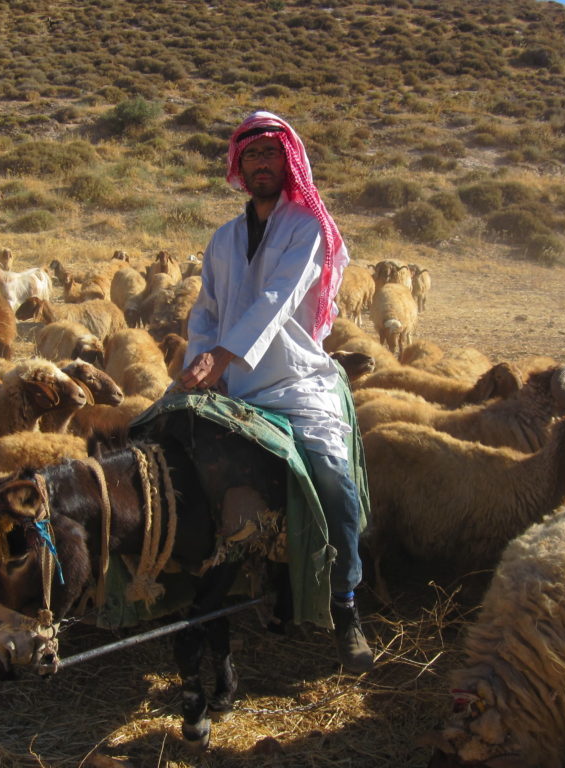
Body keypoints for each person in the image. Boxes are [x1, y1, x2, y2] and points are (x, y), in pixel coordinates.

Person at [178, 111, 374, 673]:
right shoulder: (222, 238)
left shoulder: (306, 227)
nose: (261, 164)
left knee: (334, 478)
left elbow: (278, 303)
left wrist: (222, 355)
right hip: (229, 382)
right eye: (251, 156)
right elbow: (207, 311)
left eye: (271, 154)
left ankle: (346, 602)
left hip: (292, 381)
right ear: (237, 166)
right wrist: (199, 362)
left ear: (288, 162)